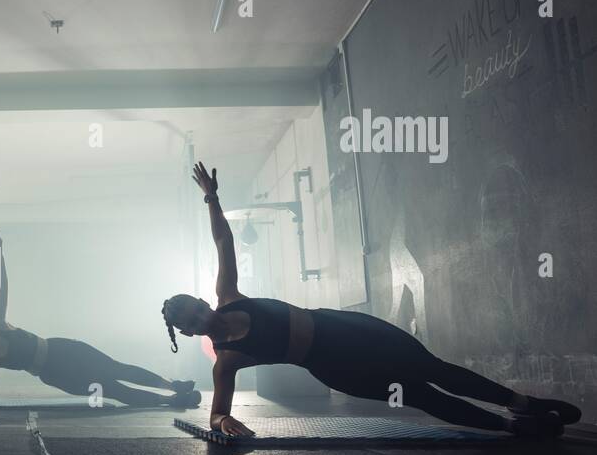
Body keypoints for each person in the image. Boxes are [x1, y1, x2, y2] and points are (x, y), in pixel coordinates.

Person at [161, 161, 582, 437]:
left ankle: (526, 404)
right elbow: (216, 411)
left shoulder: (229, 295)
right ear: (188, 330)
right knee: (421, 395)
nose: (199, 315)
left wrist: (212, 197)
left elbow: (223, 239)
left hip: (344, 327)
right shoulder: (227, 360)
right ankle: (512, 428)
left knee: (432, 368)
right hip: (335, 365)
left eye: (195, 305)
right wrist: (224, 421)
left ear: (201, 300)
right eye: (190, 319)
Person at [0, 228, 198, 408]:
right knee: (111, 389)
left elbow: (2, 289)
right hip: (55, 374)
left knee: (117, 369)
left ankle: (173, 386)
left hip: (64, 350)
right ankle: (171, 401)